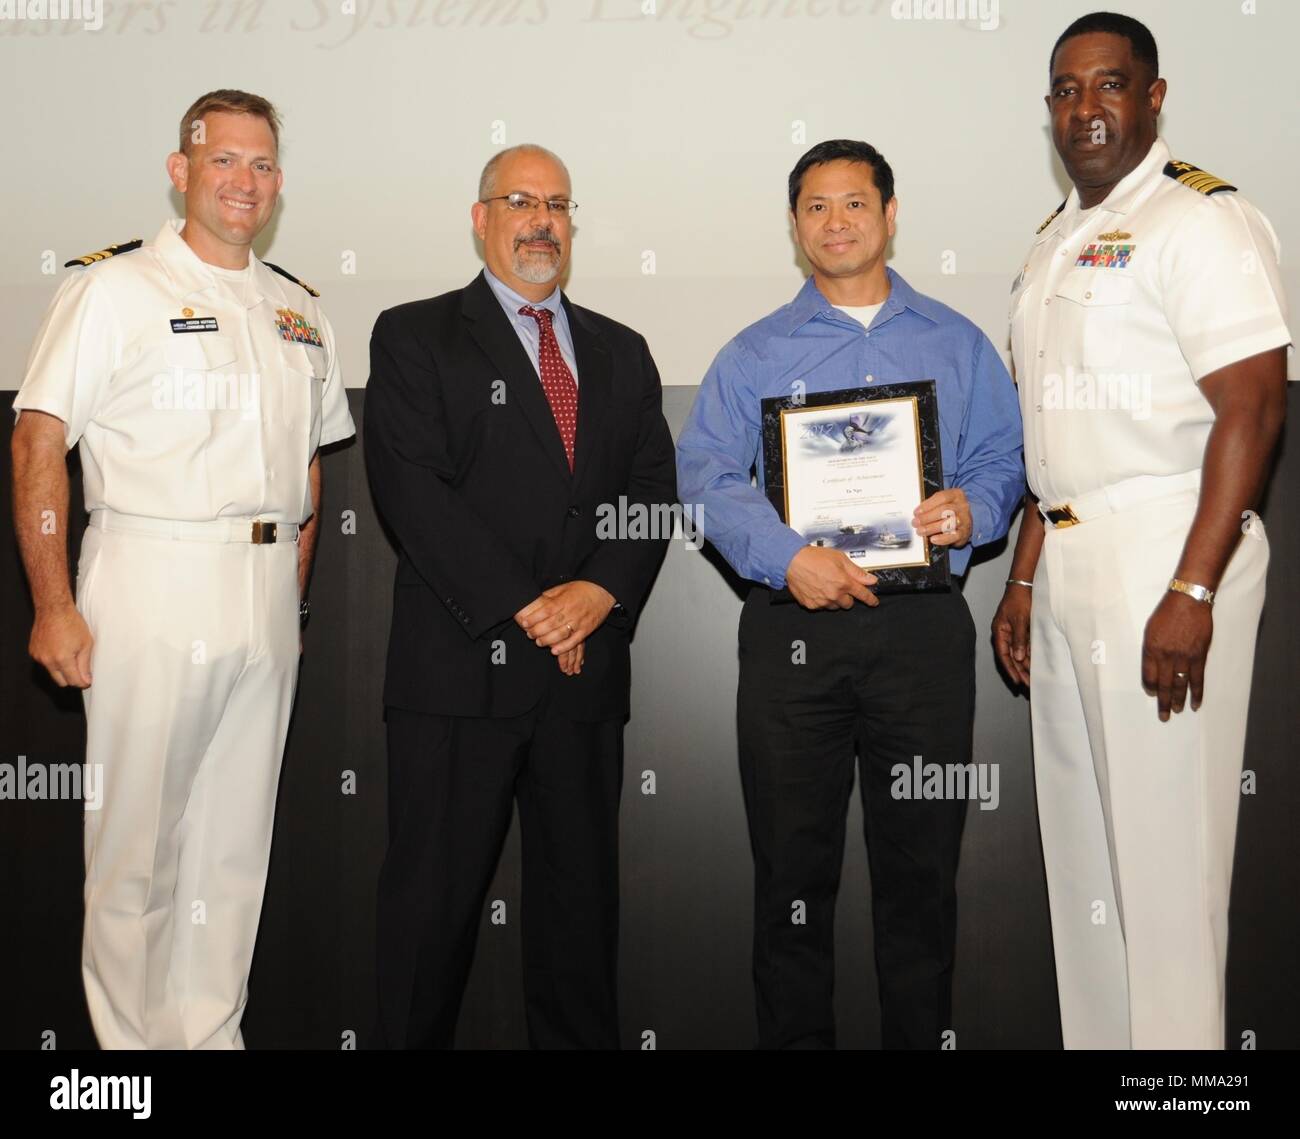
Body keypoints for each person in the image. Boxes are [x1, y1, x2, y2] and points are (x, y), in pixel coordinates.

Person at [10, 89, 355, 1049]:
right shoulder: (113, 289)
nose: (242, 181)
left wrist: (288, 600)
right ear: (181, 170)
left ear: (279, 182)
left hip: (263, 587)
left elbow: (311, 469)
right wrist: (52, 604)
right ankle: (129, 1063)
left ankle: (207, 1038)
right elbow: (39, 439)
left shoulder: (300, 309)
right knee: (137, 853)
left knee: (232, 851)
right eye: (222, 161)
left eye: (260, 165)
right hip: (149, 574)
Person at [676, 139, 1024, 1049]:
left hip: (921, 638)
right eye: (817, 207)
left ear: (891, 214)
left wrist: (971, 508)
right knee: (791, 882)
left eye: (855, 204)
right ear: (795, 226)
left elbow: (1003, 460)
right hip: (796, 639)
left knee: (921, 880)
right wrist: (788, 555)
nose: (836, 222)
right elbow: (706, 478)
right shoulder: (752, 353)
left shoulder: (958, 341)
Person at [992, 12, 1290, 1049]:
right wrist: (1024, 579)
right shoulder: (1052, 237)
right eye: (1066, 91)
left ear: (1152, 97)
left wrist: (1193, 587)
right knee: (1086, 872)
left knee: (1164, 875)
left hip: (1163, 546)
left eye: (1108, 86)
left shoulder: (1200, 220)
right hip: (1069, 551)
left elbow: (1252, 405)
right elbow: (1050, 431)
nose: (1086, 108)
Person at [364, 144, 677, 1049]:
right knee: (429, 924)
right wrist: (531, 607)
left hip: (583, 682)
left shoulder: (621, 350)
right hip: (458, 678)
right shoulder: (414, 333)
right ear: (480, 217)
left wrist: (599, 592)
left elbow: (652, 492)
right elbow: (413, 493)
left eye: (558, 204)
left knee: (579, 933)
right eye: (519, 200)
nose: (541, 219)